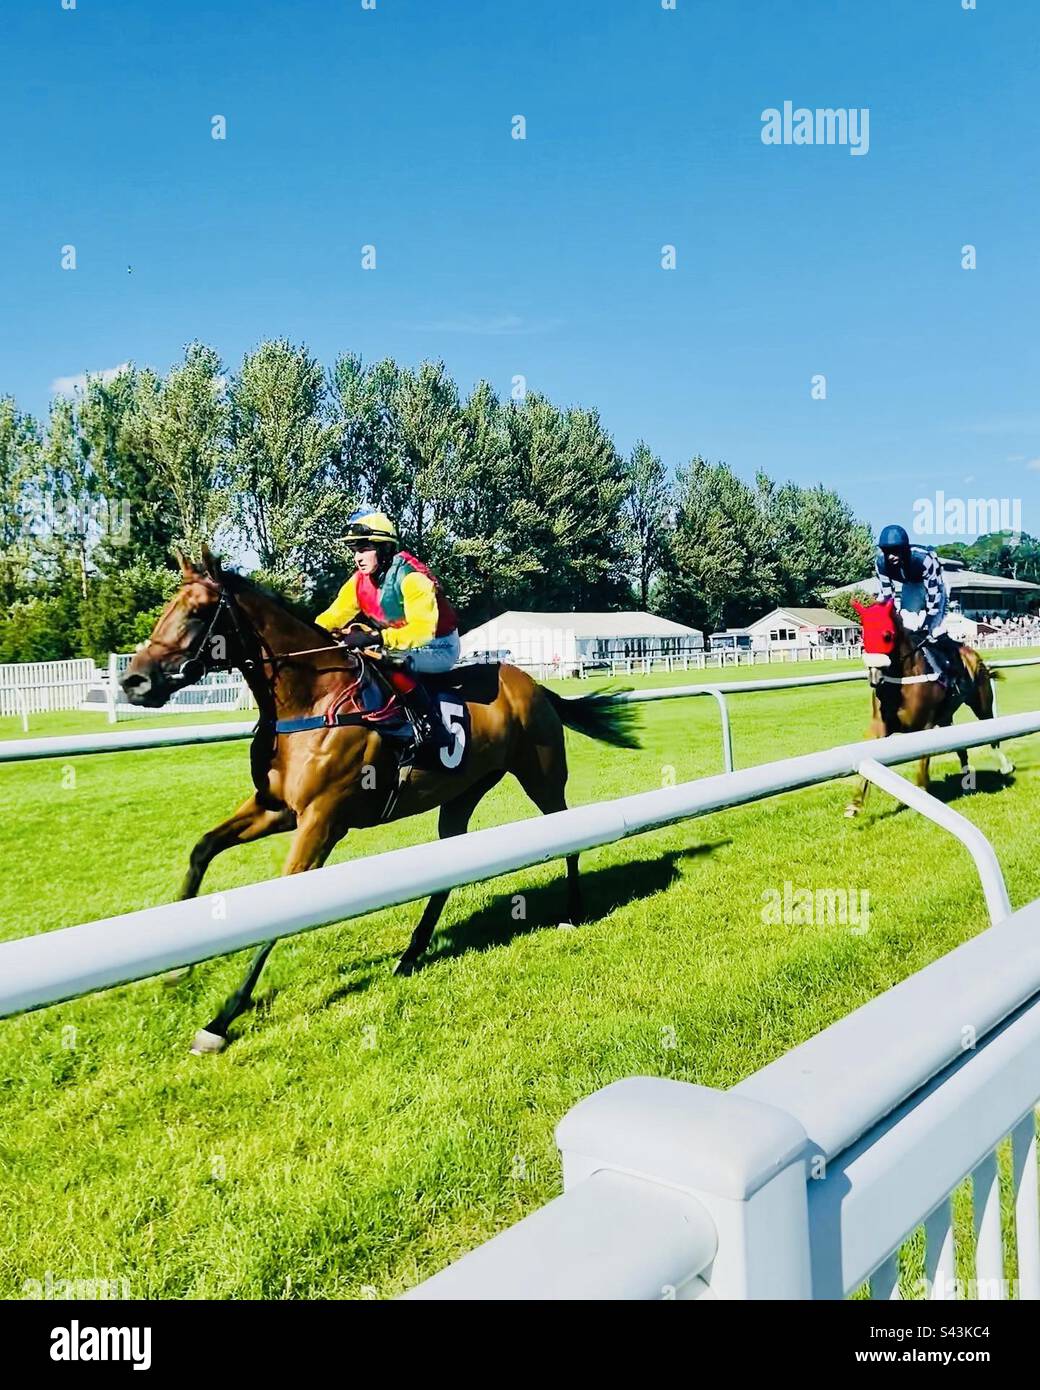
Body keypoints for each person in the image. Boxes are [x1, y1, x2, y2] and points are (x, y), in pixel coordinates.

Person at [315, 509, 460, 750]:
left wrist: (375, 637)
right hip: (400, 642)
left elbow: (422, 631)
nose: (358, 558)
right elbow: (333, 615)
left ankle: (434, 727)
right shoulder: (358, 581)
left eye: (364, 549)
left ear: (384, 548)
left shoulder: (412, 578)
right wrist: (310, 634)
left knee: (389, 661)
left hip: (438, 646)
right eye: (355, 551)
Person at [874, 524, 964, 685]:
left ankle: (957, 671)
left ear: (904, 549)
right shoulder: (880, 563)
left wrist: (928, 623)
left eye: (895, 551)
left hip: (936, 587)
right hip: (911, 586)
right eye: (887, 552)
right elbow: (887, 597)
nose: (891, 557)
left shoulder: (924, 559)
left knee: (933, 631)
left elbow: (934, 596)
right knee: (908, 628)